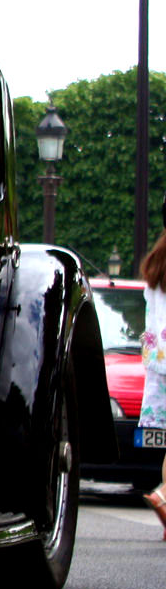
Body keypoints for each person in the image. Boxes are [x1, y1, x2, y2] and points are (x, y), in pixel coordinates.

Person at [138, 226, 166, 537]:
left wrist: (149, 355)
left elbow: (148, 321)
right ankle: (164, 495)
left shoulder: (153, 274)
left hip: (159, 361)